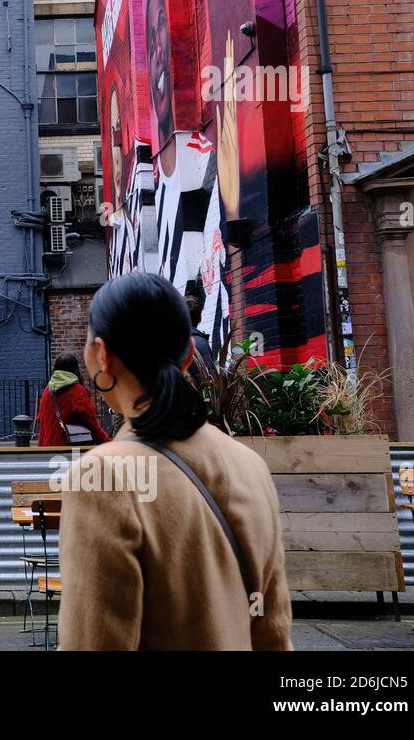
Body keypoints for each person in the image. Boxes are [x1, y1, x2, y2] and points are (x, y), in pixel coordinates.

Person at [58, 271, 292, 650]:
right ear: (187, 357)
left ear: (101, 355)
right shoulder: (248, 464)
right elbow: (274, 633)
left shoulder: (102, 477)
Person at [36, 354, 110, 447]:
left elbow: (39, 419)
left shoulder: (47, 390)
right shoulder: (77, 391)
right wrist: (108, 443)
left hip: (45, 450)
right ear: (76, 370)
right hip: (67, 451)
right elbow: (92, 424)